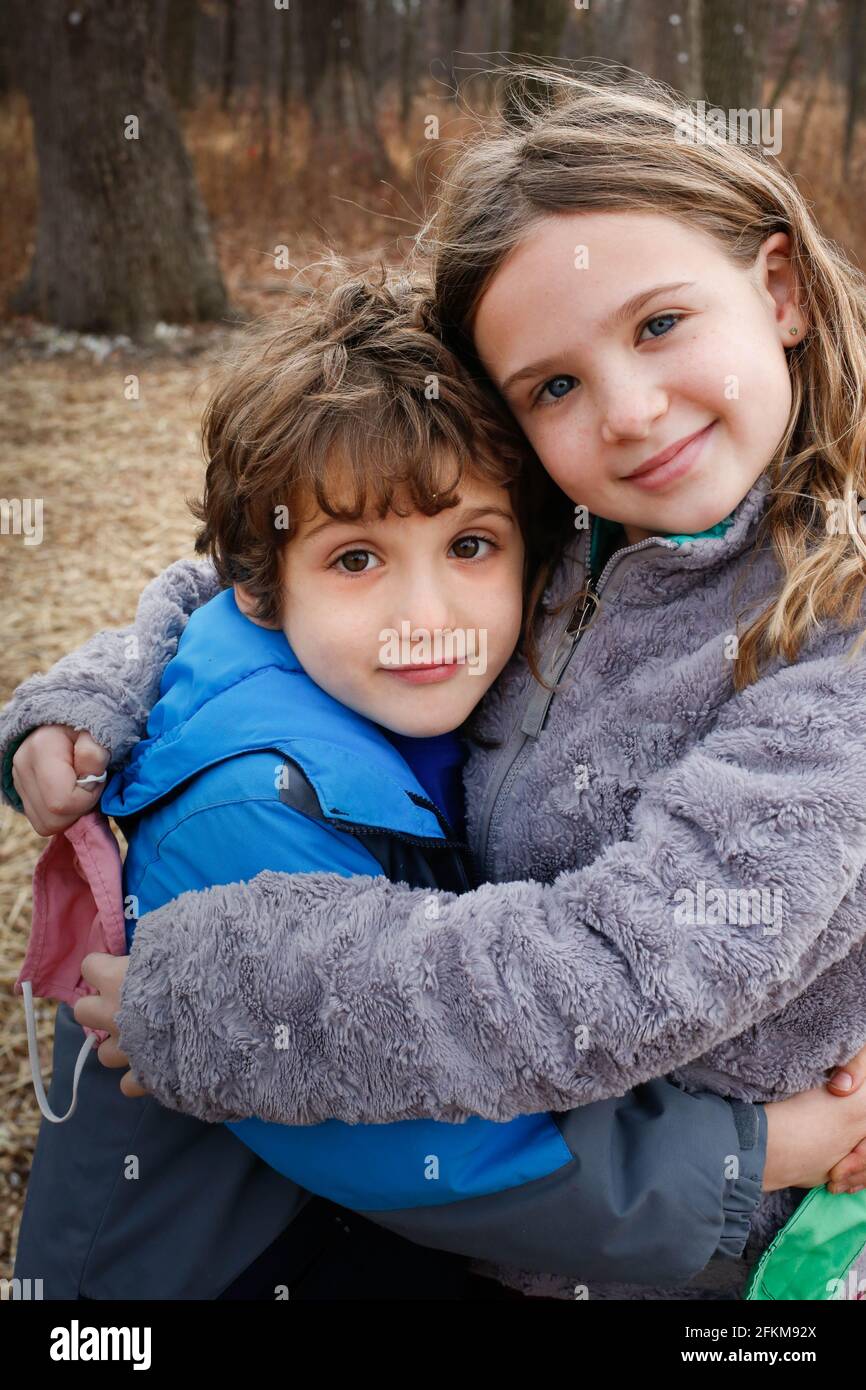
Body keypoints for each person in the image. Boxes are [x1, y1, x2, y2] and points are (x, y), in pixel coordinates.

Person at [7, 66, 866, 1301]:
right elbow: (244, 569)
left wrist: (222, 1001)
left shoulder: (830, 643)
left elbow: (616, 970)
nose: (626, 411)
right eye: (554, 386)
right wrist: (95, 688)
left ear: (776, 287)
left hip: (697, 1257)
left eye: (660, 324)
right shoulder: (585, 528)